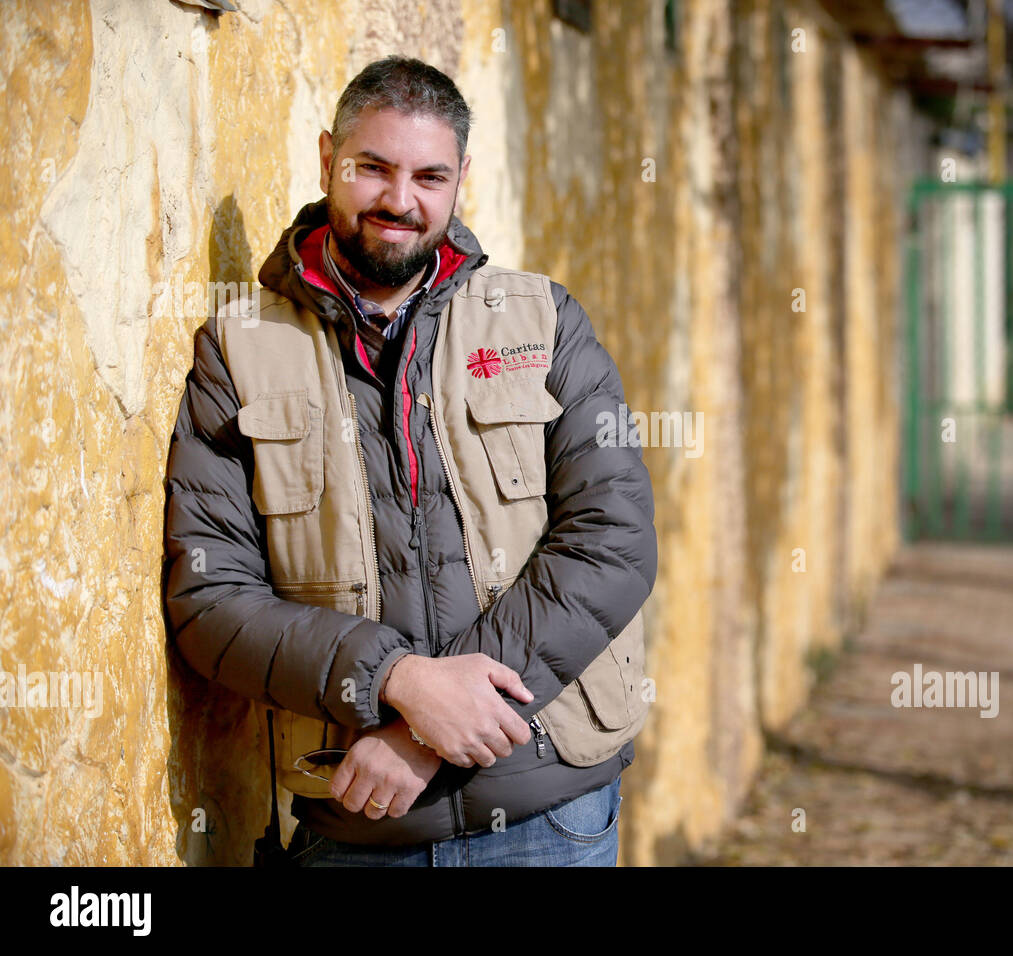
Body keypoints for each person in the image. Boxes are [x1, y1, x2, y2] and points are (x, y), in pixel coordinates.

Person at [162, 55, 657, 867]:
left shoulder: (542, 319)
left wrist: (430, 731)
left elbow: (615, 538)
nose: (400, 201)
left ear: (463, 176)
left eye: (430, 175)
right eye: (372, 169)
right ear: (328, 158)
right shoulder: (238, 349)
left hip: (551, 814)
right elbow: (211, 599)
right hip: (358, 823)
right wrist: (396, 682)